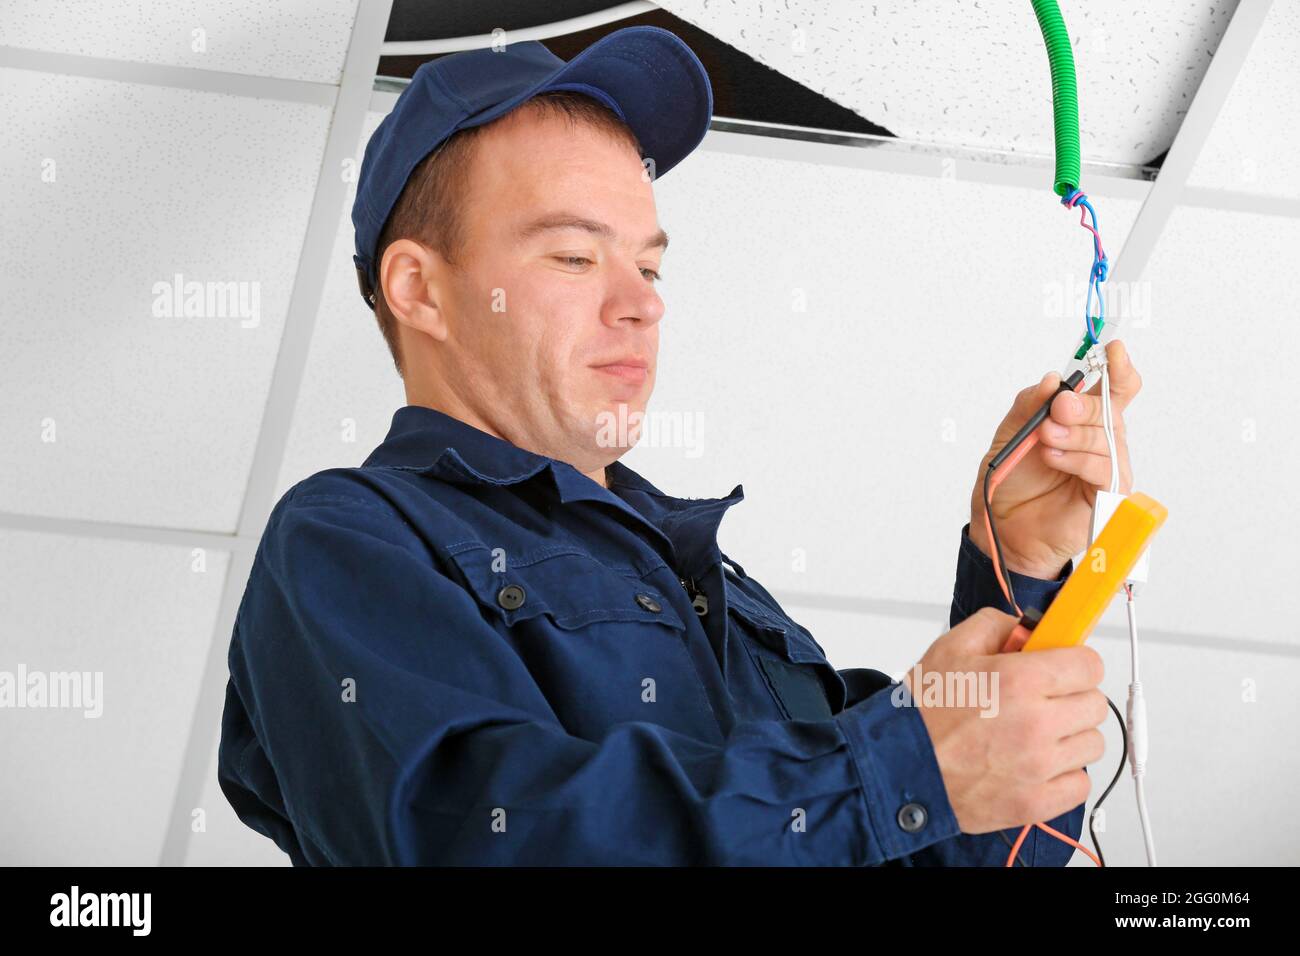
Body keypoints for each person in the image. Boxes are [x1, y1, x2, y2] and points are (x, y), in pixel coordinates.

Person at [218, 26, 1141, 866]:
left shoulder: (717, 588)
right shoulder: (348, 537)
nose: (644, 303)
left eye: (650, 265)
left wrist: (1016, 568)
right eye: (576, 257)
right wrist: (896, 773)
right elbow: (477, 841)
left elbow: (943, 846)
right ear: (419, 289)